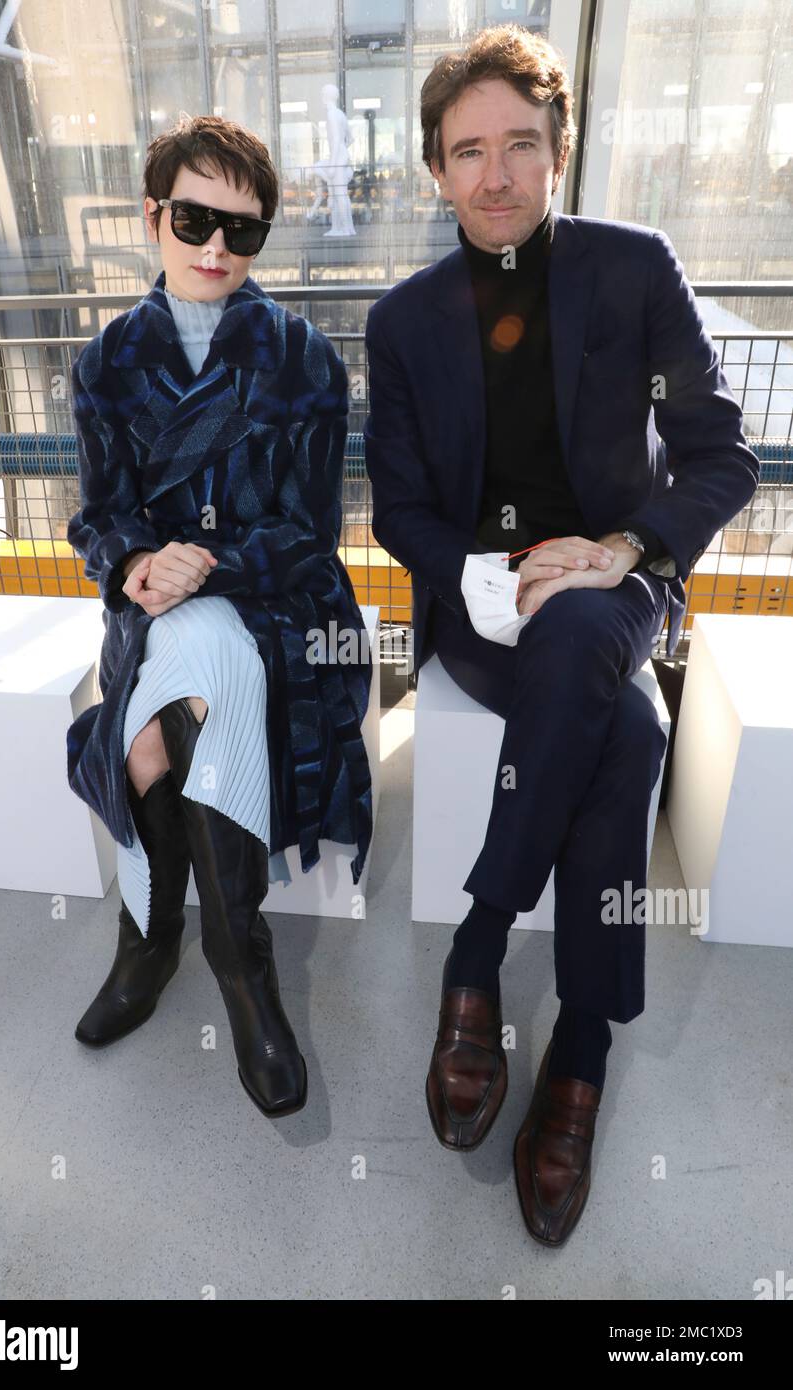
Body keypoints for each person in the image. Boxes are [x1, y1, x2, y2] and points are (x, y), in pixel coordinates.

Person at [363, 24, 759, 1244]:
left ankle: (476, 951)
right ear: (435, 169)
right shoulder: (403, 319)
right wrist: (480, 578)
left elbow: (720, 455)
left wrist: (625, 550)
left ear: (559, 149)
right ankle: (578, 1051)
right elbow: (400, 509)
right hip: (488, 608)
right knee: (630, 730)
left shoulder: (634, 268)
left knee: (589, 630)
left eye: (518, 147)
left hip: (616, 575)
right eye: (466, 152)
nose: (494, 176)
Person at [66, 114, 373, 1119]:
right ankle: (237, 967)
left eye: (242, 231)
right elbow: (98, 515)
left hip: (276, 609)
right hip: (151, 608)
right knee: (167, 717)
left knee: (167, 723)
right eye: (194, 218)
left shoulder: (303, 361)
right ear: (153, 216)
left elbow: (311, 533)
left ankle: (165, 946)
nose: (214, 249)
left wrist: (203, 563)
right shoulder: (108, 361)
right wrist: (133, 563)